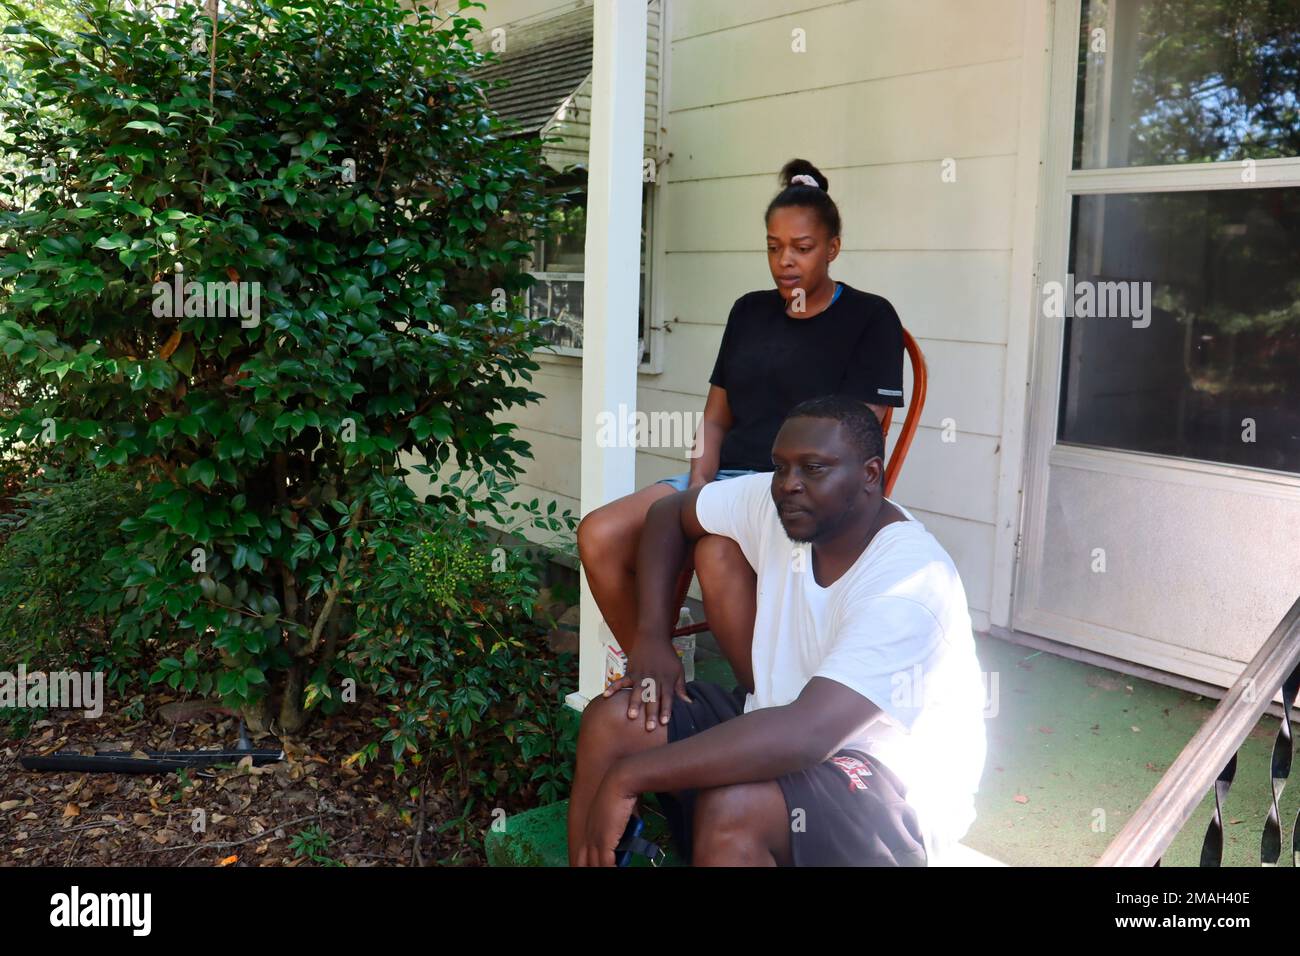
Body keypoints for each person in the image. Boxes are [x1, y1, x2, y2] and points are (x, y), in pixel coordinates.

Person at [567, 396, 986, 866]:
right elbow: (670, 514)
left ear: (870, 475)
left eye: (814, 469)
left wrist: (628, 778)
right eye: (780, 467)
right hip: (778, 721)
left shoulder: (910, 582)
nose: (790, 485)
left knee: (734, 809)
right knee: (611, 721)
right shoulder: (780, 506)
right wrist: (651, 638)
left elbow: (807, 736)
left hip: (889, 786)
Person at [577, 159, 906, 695]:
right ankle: (657, 668)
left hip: (799, 488)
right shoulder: (750, 312)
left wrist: (738, 501)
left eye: (801, 248)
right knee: (599, 532)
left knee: (714, 549)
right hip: (728, 480)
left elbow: (860, 437)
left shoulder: (869, 318)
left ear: (832, 248)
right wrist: (702, 486)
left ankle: (767, 702)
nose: (785, 262)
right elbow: (716, 416)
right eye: (774, 247)